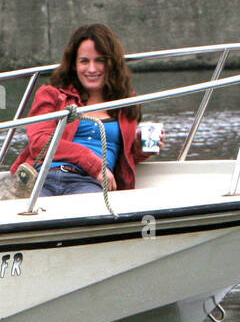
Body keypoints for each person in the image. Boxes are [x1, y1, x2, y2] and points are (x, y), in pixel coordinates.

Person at [9, 23, 162, 197]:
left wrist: (141, 149)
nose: (92, 69)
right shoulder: (51, 95)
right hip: (44, 177)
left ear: (111, 64)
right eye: (84, 61)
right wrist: (92, 163)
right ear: (74, 64)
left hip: (88, 182)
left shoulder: (125, 101)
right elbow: (39, 142)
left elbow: (124, 156)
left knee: (86, 209)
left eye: (99, 61)